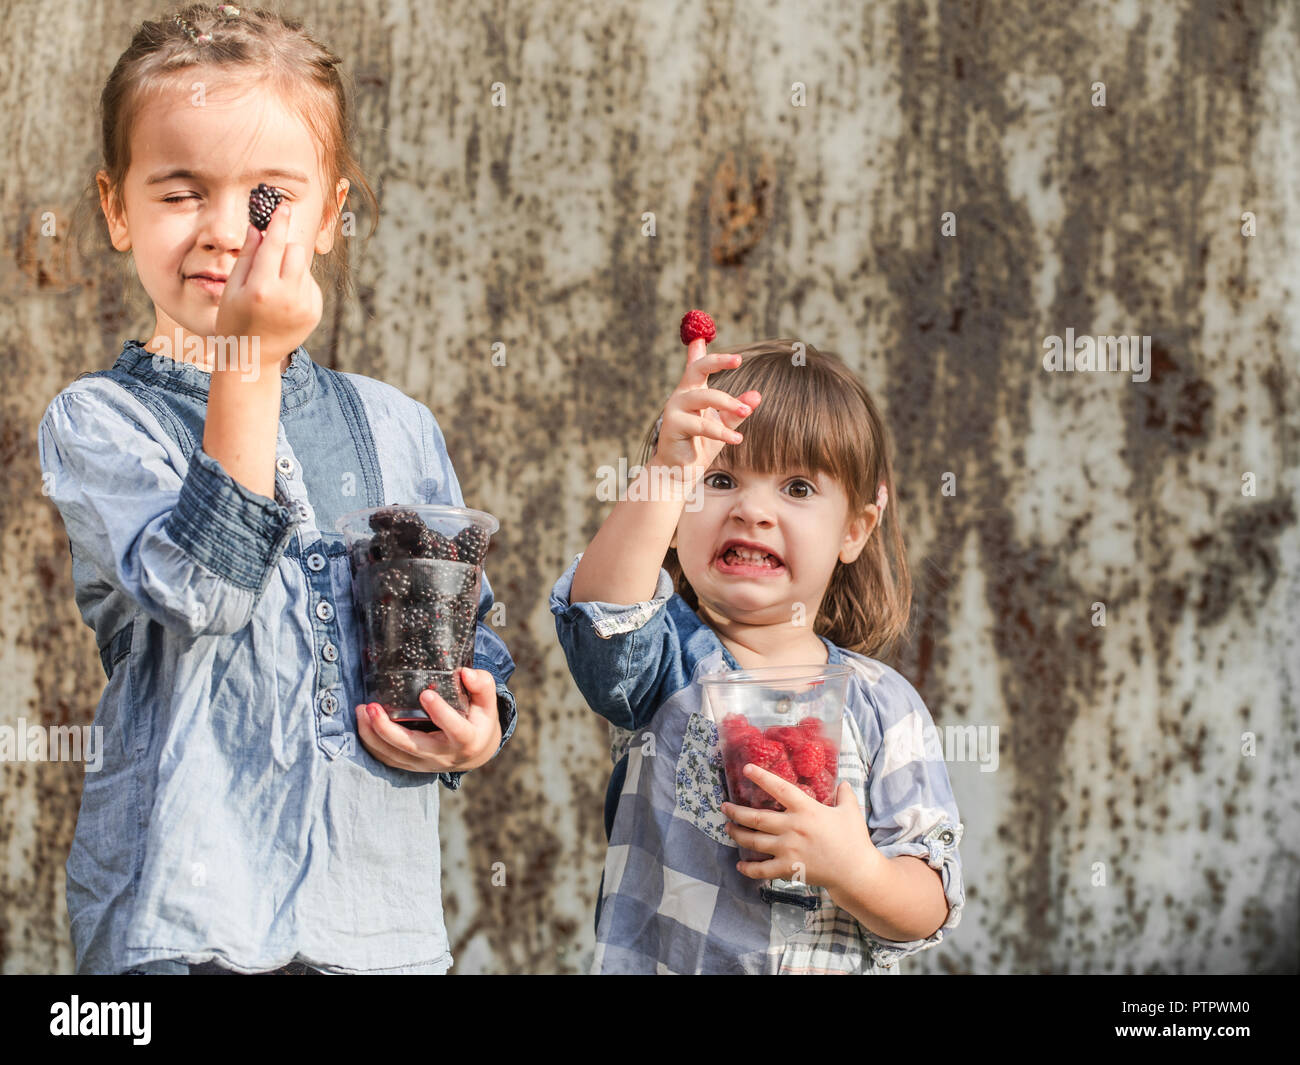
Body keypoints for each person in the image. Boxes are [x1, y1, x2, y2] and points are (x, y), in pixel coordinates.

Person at [37, 4, 516, 975]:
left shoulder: (397, 427)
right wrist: (247, 359)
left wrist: (476, 722)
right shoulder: (97, 423)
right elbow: (202, 594)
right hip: (181, 919)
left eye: (268, 198)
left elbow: (463, 636)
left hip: (369, 923)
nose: (226, 231)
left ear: (330, 216)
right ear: (117, 207)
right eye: (182, 193)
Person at [550, 334, 965, 974]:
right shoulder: (667, 662)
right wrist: (666, 471)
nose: (752, 510)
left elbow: (931, 898)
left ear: (855, 528)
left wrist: (855, 869)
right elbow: (604, 614)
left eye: (797, 488)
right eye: (719, 479)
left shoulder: (883, 704)